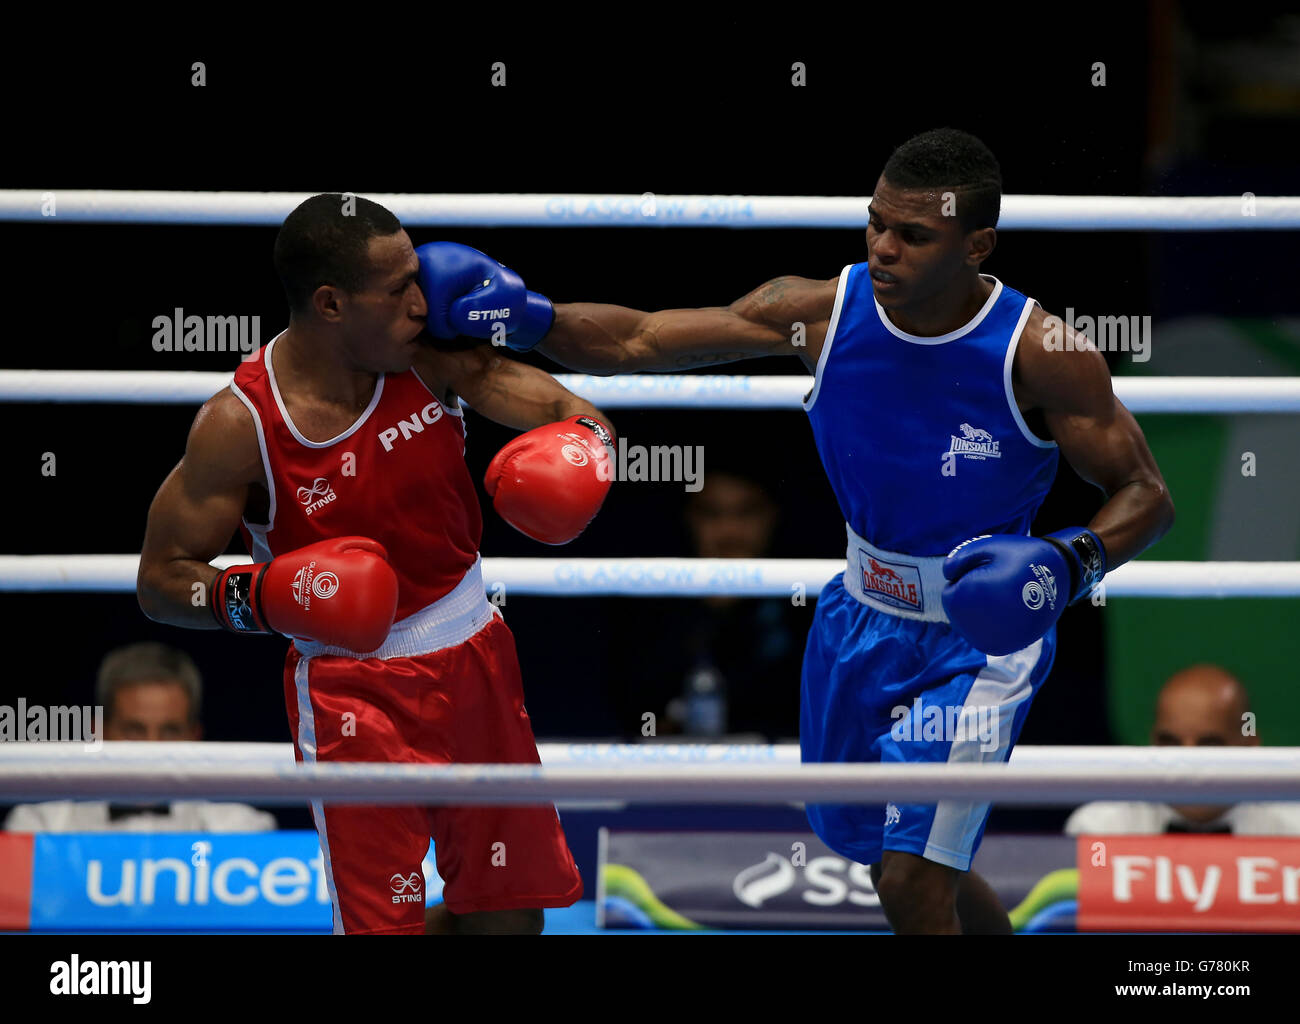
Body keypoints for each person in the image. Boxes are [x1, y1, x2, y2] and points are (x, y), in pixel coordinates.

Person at [487, 128, 1177, 933]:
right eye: (876, 223)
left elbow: (1146, 495)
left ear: (976, 244)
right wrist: (519, 318)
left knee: (912, 882)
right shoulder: (818, 314)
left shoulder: (1042, 352)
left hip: (979, 639)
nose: (884, 249)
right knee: (879, 857)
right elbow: (639, 337)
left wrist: (1068, 561)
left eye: (913, 235)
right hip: (858, 618)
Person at [137, 194, 618, 935]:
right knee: (379, 927)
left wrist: (586, 444)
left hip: (475, 658)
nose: (425, 303)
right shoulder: (241, 424)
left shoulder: (428, 355)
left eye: (418, 278)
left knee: (510, 919)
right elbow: (163, 580)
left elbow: (562, 407)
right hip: (349, 693)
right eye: (398, 290)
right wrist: (262, 598)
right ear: (330, 303)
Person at [608, 467, 808, 740]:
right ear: (690, 518)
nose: (729, 531)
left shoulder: (807, 603)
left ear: (772, 516)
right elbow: (633, 710)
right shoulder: (650, 604)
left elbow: (803, 714)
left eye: (746, 512)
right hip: (671, 773)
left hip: (777, 771)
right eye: (712, 513)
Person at [4, 642, 275, 832]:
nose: (152, 748)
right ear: (99, 732)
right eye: (134, 730)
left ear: (195, 737)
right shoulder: (38, 827)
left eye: (170, 731)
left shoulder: (241, 830)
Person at [1066, 664, 1300, 835]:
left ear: (1250, 748)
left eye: (1209, 745)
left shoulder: (1293, 832)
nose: (1185, 765)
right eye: (1170, 742)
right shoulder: (1100, 829)